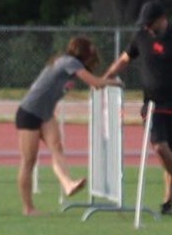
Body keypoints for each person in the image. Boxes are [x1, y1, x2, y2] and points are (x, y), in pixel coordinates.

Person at [102, 1, 172, 214]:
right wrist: (105, 77)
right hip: (153, 103)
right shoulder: (141, 37)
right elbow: (124, 60)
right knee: (159, 147)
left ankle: (168, 202)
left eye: (150, 23)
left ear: (162, 19)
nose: (147, 27)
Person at [14, 36, 116, 215]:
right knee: (29, 161)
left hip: (45, 114)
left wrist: (104, 80)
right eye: (91, 54)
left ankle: (68, 183)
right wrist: (115, 83)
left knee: (57, 148)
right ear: (82, 53)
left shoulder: (72, 66)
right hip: (29, 112)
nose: (93, 59)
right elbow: (95, 83)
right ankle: (28, 207)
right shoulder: (69, 62)